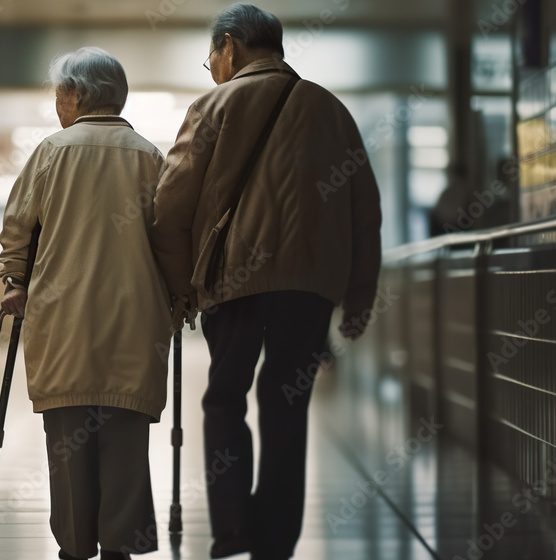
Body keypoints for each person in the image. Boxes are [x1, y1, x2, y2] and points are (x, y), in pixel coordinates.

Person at [151, 5, 383, 559]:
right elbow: (364, 210)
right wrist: (359, 295)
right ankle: (275, 540)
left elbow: (168, 205)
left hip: (235, 281)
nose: (209, 68)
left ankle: (232, 525)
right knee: (286, 403)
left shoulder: (214, 105)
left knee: (225, 398)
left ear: (230, 46)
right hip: (310, 286)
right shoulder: (331, 110)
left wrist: (182, 286)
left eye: (210, 56)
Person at [0, 47, 171, 560]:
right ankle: (118, 545)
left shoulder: (52, 152)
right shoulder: (149, 156)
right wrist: (181, 298)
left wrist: (14, 280)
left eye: (58, 94)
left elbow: (17, 226)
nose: (57, 104)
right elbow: (170, 239)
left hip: (63, 319)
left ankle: (75, 548)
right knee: (125, 440)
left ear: (77, 94)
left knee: (68, 443)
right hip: (134, 321)